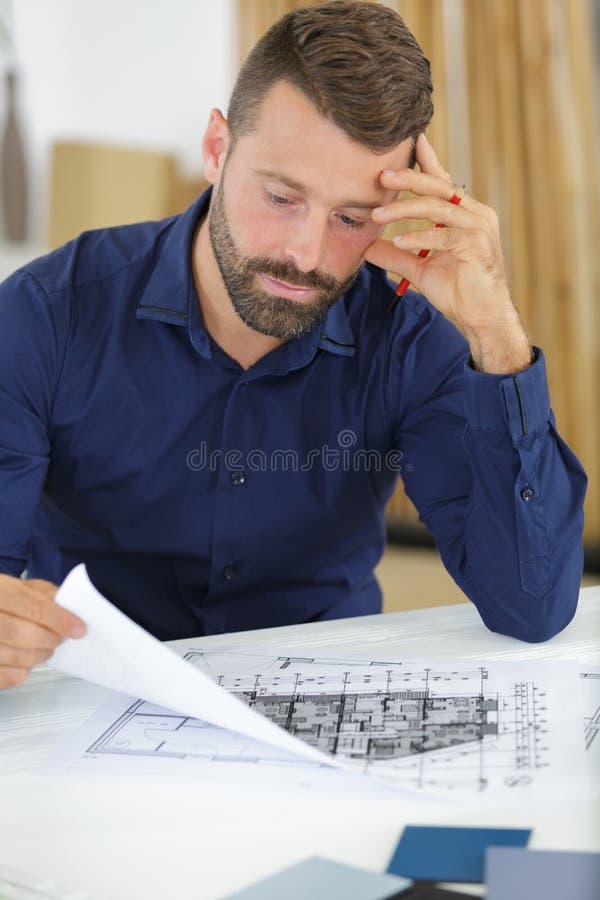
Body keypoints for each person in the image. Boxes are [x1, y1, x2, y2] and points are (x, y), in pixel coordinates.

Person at [0, 1, 587, 689]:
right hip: (89, 696)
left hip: (324, 707)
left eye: (351, 218)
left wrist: (496, 333)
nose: (306, 255)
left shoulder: (410, 338)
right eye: (282, 198)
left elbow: (532, 605)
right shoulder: (45, 317)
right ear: (217, 150)